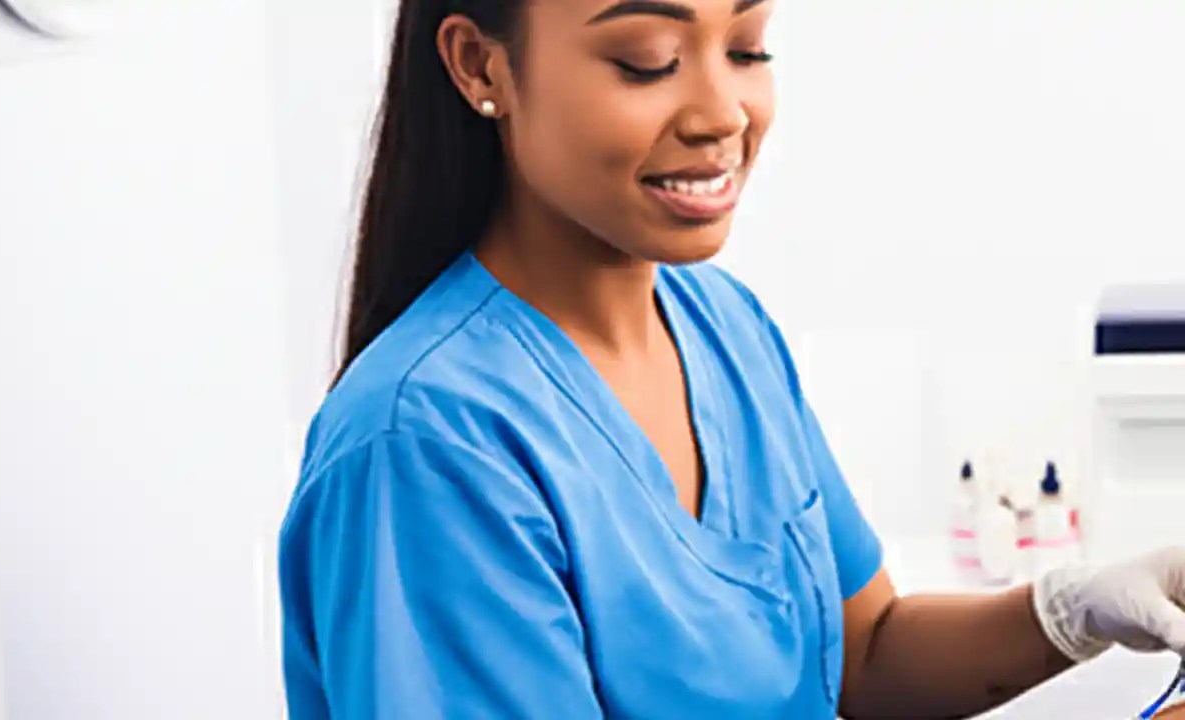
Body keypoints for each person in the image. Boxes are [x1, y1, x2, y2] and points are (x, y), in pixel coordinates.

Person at [277, 0, 1185, 717]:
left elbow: (863, 655)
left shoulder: (721, 326)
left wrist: (1077, 612)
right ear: (482, 65)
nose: (722, 114)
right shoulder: (431, 447)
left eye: (748, 48)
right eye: (648, 61)